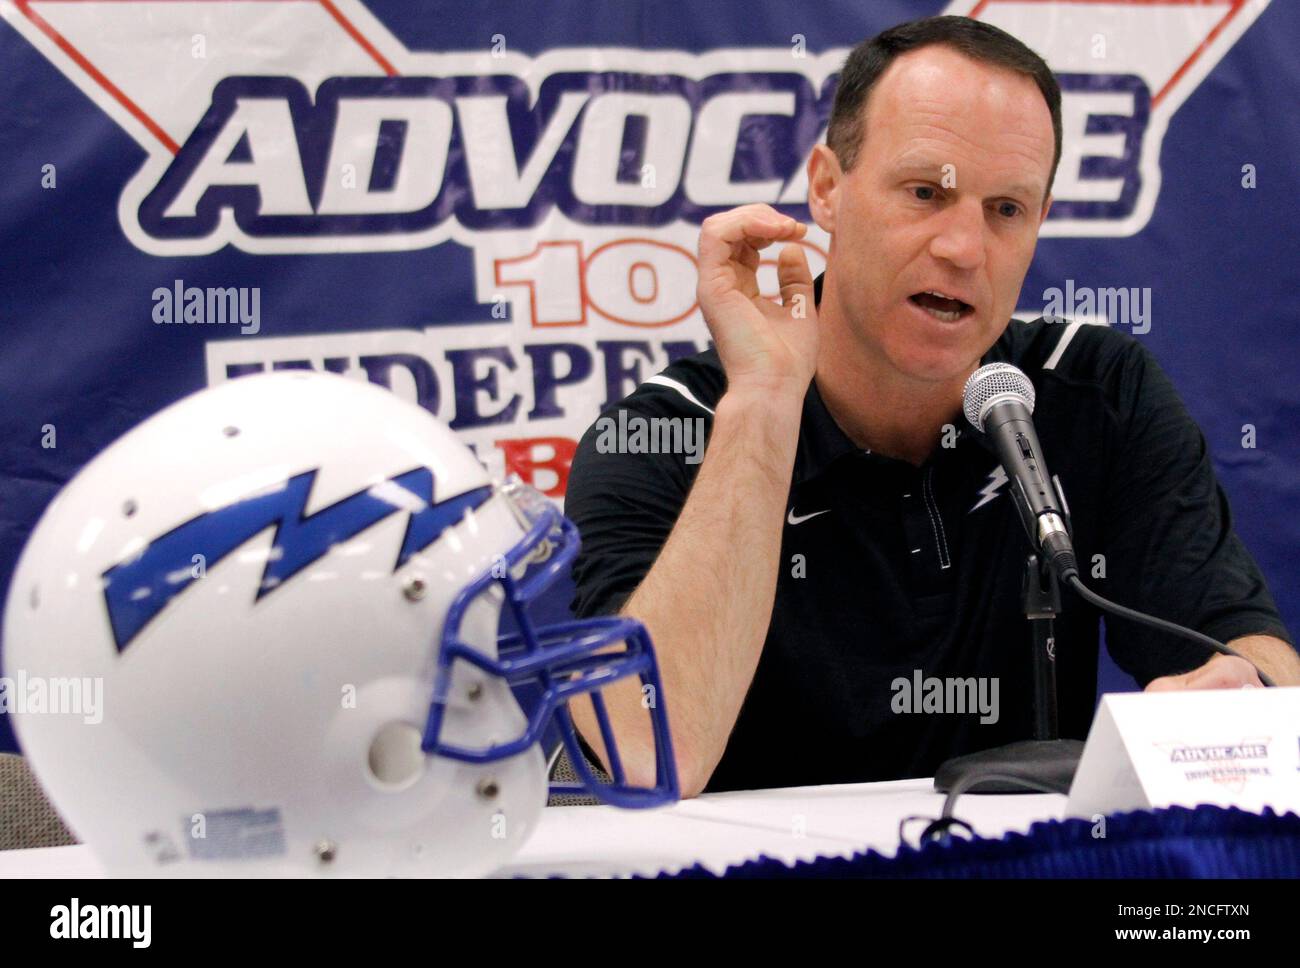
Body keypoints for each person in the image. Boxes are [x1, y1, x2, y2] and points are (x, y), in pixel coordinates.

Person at [562, 15, 1299, 798]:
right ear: (827, 188)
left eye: (1005, 210)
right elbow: (642, 750)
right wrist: (766, 406)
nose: (964, 248)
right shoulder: (668, 430)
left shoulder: (1094, 388)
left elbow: (1248, 653)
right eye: (926, 192)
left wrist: (1244, 692)